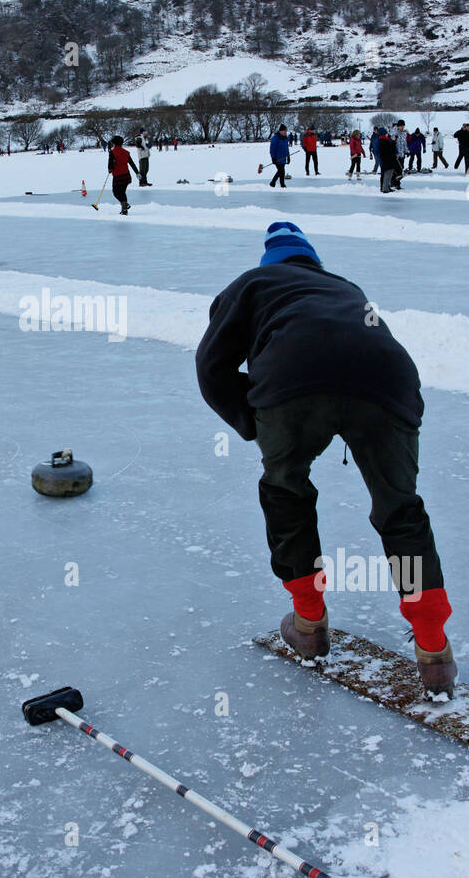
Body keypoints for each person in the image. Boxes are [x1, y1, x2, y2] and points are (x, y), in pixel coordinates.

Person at [195, 220, 455, 695]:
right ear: (313, 262)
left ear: (269, 262)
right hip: (387, 382)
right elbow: (377, 346)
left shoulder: (253, 283)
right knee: (401, 510)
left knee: (286, 491)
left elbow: (211, 366)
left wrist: (253, 420)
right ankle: (434, 648)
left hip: (292, 379)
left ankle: (309, 624)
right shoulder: (345, 287)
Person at [108, 135, 139, 216]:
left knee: (116, 192)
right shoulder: (126, 152)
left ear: (114, 143)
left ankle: (125, 205)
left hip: (118, 176)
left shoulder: (112, 152)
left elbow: (110, 165)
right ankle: (124, 209)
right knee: (122, 192)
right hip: (126, 176)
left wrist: (110, 169)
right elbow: (132, 163)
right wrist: (137, 173)